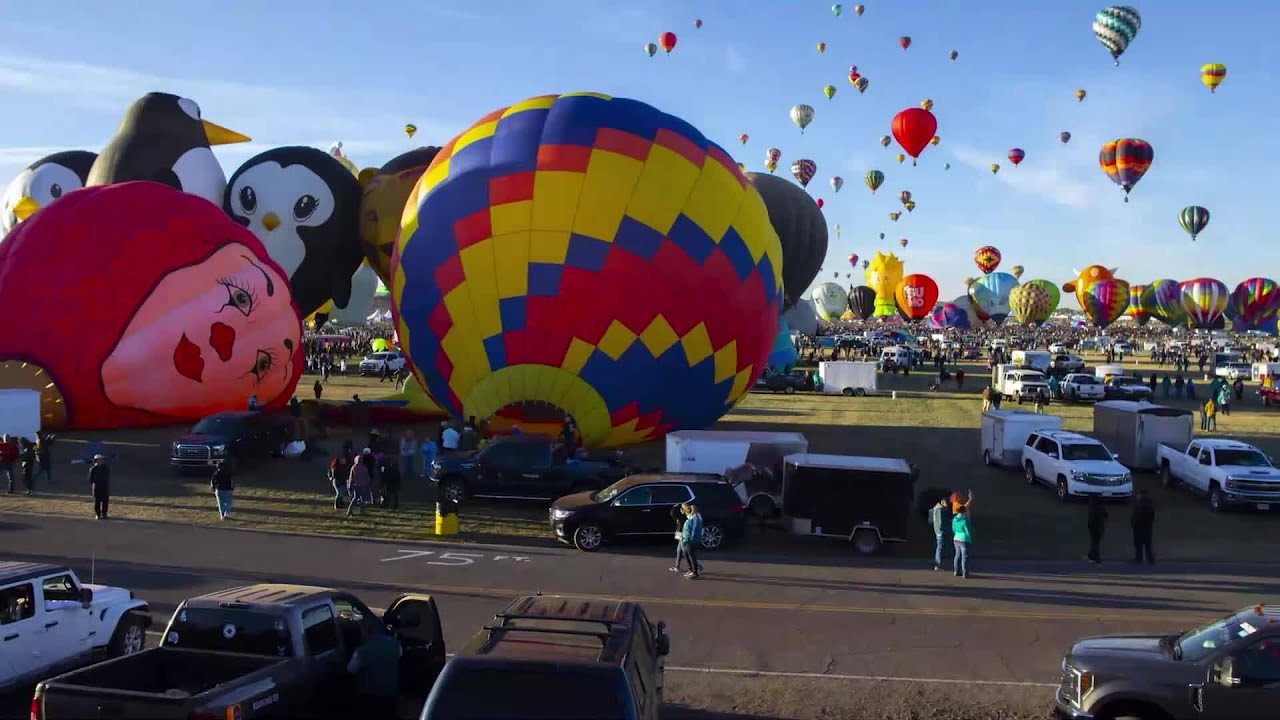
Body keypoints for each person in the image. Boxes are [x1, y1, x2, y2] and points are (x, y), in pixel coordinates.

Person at [346, 630, 402, 720]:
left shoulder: (361, 650)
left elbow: (351, 670)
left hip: (369, 696)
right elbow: (399, 656)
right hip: (390, 692)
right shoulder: (395, 644)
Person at [679, 503, 704, 579]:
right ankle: (691, 570)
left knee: (691, 556)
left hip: (690, 540)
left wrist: (689, 539)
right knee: (686, 554)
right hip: (687, 540)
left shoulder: (694, 519)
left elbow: (693, 531)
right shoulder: (692, 518)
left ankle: (695, 572)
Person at [1131, 490, 1156, 565]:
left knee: (1140, 543)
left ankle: (1141, 558)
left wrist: (1135, 523)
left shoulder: (1143, 505)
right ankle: (1148, 559)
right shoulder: (1146, 504)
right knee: (1146, 544)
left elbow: (1139, 516)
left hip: (1141, 527)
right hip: (1144, 527)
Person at [346, 451, 373, 516]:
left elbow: (351, 477)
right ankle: (360, 511)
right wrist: (368, 483)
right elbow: (367, 477)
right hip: (361, 486)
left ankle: (351, 510)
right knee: (361, 498)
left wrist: (350, 485)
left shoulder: (354, 467)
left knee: (357, 498)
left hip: (357, 485)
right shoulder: (363, 468)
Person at [330, 441, 354, 509]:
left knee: (342, 491)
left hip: (343, 477)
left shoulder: (347, 457)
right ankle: (337, 504)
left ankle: (340, 503)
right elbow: (334, 468)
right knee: (339, 492)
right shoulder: (340, 459)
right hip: (338, 478)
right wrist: (335, 477)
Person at [951, 505, 971, 578]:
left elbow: (953, 529)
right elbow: (967, 531)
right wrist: (970, 539)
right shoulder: (964, 520)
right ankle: (964, 572)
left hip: (956, 538)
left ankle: (956, 570)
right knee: (964, 556)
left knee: (957, 555)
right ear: (964, 511)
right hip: (963, 539)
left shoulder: (954, 519)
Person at [930, 496, 950, 571]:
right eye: (946, 503)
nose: (947, 505)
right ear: (942, 502)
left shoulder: (935, 509)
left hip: (936, 531)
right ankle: (938, 565)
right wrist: (941, 531)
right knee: (940, 548)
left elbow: (931, 520)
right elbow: (941, 522)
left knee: (937, 546)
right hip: (939, 532)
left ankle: (936, 562)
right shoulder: (940, 510)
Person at [1086, 496, 1108, 565]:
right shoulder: (1101, 508)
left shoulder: (1094, 509)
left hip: (1095, 529)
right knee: (1095, 543)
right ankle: (1092, 556)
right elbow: (1106, 515)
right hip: (1099, 528)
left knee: (1095, 544)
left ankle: (1096, 558)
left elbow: (1092, 519)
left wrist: (1089, 525)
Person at [88, 454, 110, 519]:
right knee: (97, 501)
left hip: (104, 487)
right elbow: (90, 479)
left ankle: (104, 514)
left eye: (101, 459)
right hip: (96, 487)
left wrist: (104, 482)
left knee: (105, 501)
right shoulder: (93, 469)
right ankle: (98, 514)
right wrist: (96, 482)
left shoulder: (106, 468)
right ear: (96, 461)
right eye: (99, 460)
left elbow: (107, 477)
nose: (101, 461)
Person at [669, 504, 689, 573]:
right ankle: (677, 566)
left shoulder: (682, 518)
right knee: (679, 550)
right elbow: (679, 526)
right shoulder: (681, 517)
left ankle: (697, 566)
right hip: (682, 533)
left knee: (685, 551)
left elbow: (680, 527)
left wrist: (678, 534)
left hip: (683, 534)